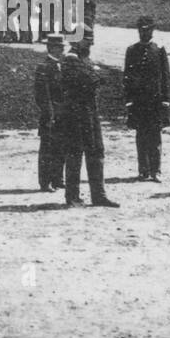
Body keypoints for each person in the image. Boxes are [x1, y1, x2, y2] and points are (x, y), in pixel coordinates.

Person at [55, 27, 119, 207]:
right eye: (87, 39)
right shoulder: (69, 60)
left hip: (90, 113)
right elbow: (88, 80)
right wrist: (95, 74)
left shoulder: (84, 60)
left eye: (91, 39)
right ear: (75, 41)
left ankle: (99, 195)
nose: (91, 43)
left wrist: (94, 75)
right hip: (75, 114)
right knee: (75, 154)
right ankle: (72, 196)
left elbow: (100, 77)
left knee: (96, 152)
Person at [123, 15, 170, 182]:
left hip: (155, 101)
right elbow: (127, 78)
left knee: (155, 136)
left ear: (152, 31)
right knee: (141, 135)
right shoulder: (131, 51)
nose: (145, 34)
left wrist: (165, 100)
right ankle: (143, 170)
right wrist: (129, 101)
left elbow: (165, 77)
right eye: (142, 31)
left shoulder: (159, 50)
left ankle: (155, 170)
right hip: (139, 102)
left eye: (148, 30)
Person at [34, 34, 67, 192]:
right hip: (50, 115)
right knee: (47, 150)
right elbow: (42, 95)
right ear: (50, 48)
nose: (62, 50)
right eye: (59, 47)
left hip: (62, 114)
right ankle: (45, 181)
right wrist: (50, 114)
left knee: (61, 148)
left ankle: (58, 178)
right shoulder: (44, 67)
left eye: (62, 47)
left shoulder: (62, 66)